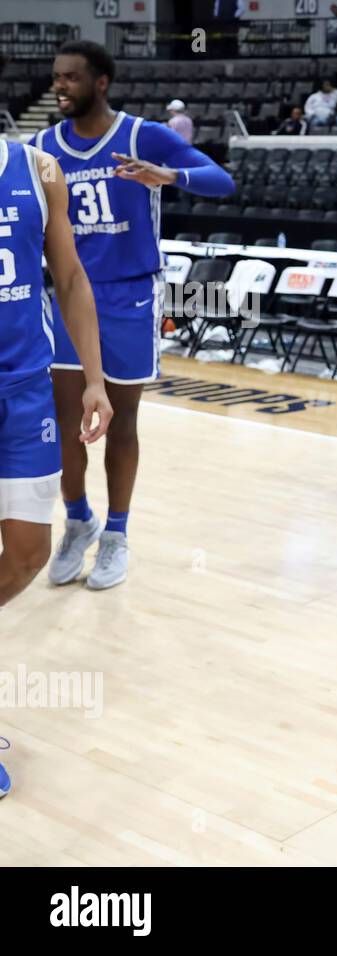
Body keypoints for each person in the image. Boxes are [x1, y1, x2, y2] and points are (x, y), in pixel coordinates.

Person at [34, 40, 234, 591]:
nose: (60, 87)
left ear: (101, 82)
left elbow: (223, 180)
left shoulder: (142, 135)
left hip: (129, 296)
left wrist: (169, 176)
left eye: (71, 78)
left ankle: (116, 534)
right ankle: (78, 521)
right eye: (56, 77)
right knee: (66, 419)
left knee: (120, 420)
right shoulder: (42, 147)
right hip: (68, 296)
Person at [0, 139, 112, 615]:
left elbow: (69, 278)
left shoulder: (39, 168)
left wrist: (94, 380)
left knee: (29, 555)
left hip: (24, 390)